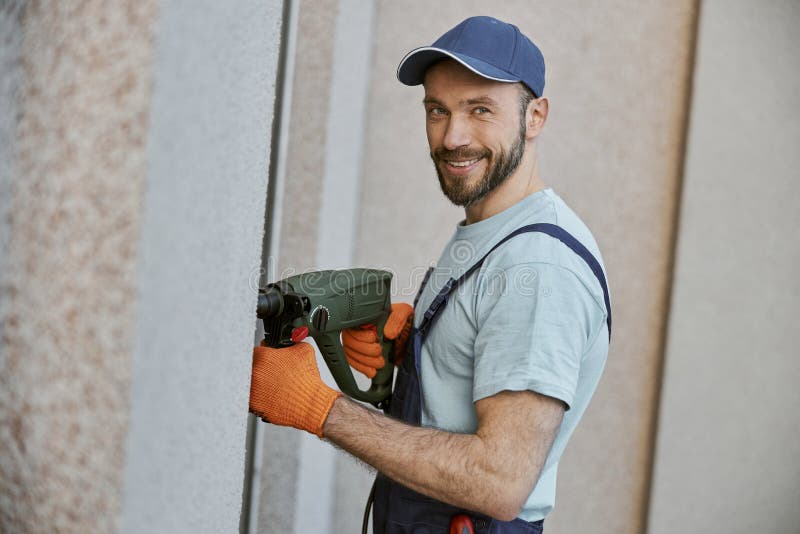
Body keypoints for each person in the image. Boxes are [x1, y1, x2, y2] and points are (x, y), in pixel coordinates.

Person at [249, 16, 611, 533]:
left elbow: (499, 480)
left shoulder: (537, 268)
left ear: (535, 117)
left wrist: (317, 406)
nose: (452, 136)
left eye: (479, 109)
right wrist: (425, 348)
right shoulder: (492, 228)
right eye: (437, 110)